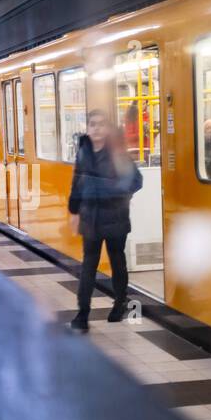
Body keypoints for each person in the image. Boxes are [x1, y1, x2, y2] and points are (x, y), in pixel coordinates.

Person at [67, 109, 142, 332]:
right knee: (88, 265)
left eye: (101, 124)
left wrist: (118, 194)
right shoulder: (83, 152)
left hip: (115, 216)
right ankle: (83, 313)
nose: (97, 128)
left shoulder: (117, 153)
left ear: (108, 128)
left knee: (117, 261)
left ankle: (120, 302)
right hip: (90, 218)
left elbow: (136, 180)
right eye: (93, 124)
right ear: (87, 128)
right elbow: (76, 183)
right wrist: (73, 211)